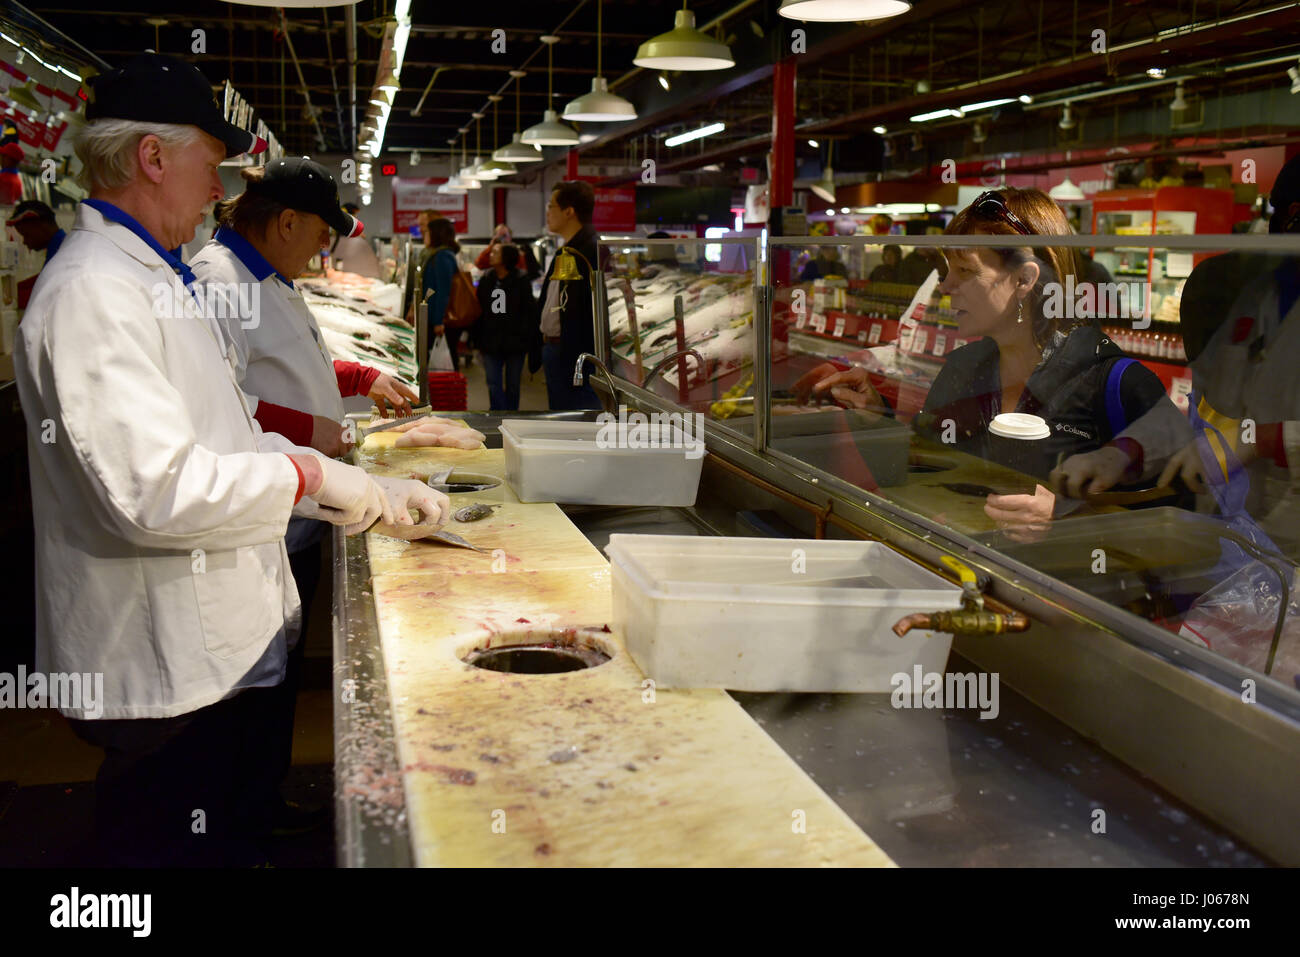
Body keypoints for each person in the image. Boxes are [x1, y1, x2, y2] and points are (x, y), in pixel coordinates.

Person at [11, 53, 445, 866]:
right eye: (211, 167)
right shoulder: (96, 294)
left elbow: (230, 427)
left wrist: (357, 484)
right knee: (161, 843)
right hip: (156, 659)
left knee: (205, 832)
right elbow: (157, 489)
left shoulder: (152, 278)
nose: (219, 191)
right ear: (152, 157)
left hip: (200, 650)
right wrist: (313, 474)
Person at [190, 157, 447, 833]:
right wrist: (317, 431)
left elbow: (294, 363)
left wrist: (360, 375)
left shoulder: (267, 276)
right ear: (285, 221)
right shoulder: (220, 283)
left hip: (297, 510)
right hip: (260, 514)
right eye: (318, 234)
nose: (322, 249)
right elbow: (220, 404)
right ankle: (240, 825)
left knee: (274, 675)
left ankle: (263, 805)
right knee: (248, 686)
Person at [805, 188, 1185, 539]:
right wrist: (878, 415)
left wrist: (1072, 517)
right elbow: (927, 468)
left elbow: (1182, 527)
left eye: (965, 271)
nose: (945, 285)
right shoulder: (963, 368)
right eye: (948, 269)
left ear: (1024, 279)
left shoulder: (1115, 382)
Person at [540, 180, 601, 409]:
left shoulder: (590, 251)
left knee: (578, 421)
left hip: (575, 354)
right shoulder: (567, 250)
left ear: (569, 211)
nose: (547, 213)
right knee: (562, 418)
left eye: (551, 206)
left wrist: (573, 348)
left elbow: (588, 309)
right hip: (557, 350)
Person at [474, 243, 538, 411]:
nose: (491, 254)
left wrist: (525, 336)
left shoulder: (521, 280)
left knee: (513, 384)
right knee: (493, 382)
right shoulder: (487, 278)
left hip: (515, 341)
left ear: (506, 257)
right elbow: (479, 308)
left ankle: (511, 415)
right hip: (490, 340)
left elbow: (528, 310)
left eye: (495, 252)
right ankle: (498, 415)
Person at [423, 216, 468, 371]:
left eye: (427, 232)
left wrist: (438, 321)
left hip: (444, 321)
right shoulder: (437, 254)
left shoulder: (443, 256)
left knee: (447, 362)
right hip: (438, 318)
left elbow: (443, 291)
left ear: (436, 234)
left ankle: (449, 393)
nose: (424, 235)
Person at [10, 201, 66, 308]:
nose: (25, 242)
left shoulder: (61, 252)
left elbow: (44, 295)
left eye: (26, 235)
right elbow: (40, 280)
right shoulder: (59, 245)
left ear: (42, 225)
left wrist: (13, 297)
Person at [329, 200, 382, 278]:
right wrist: (357, 234)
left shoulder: (344, 212)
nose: (356, 214)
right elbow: (346, 226)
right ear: (353, 210)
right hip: (339, 236)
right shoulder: (343, 212)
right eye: (356, 212)